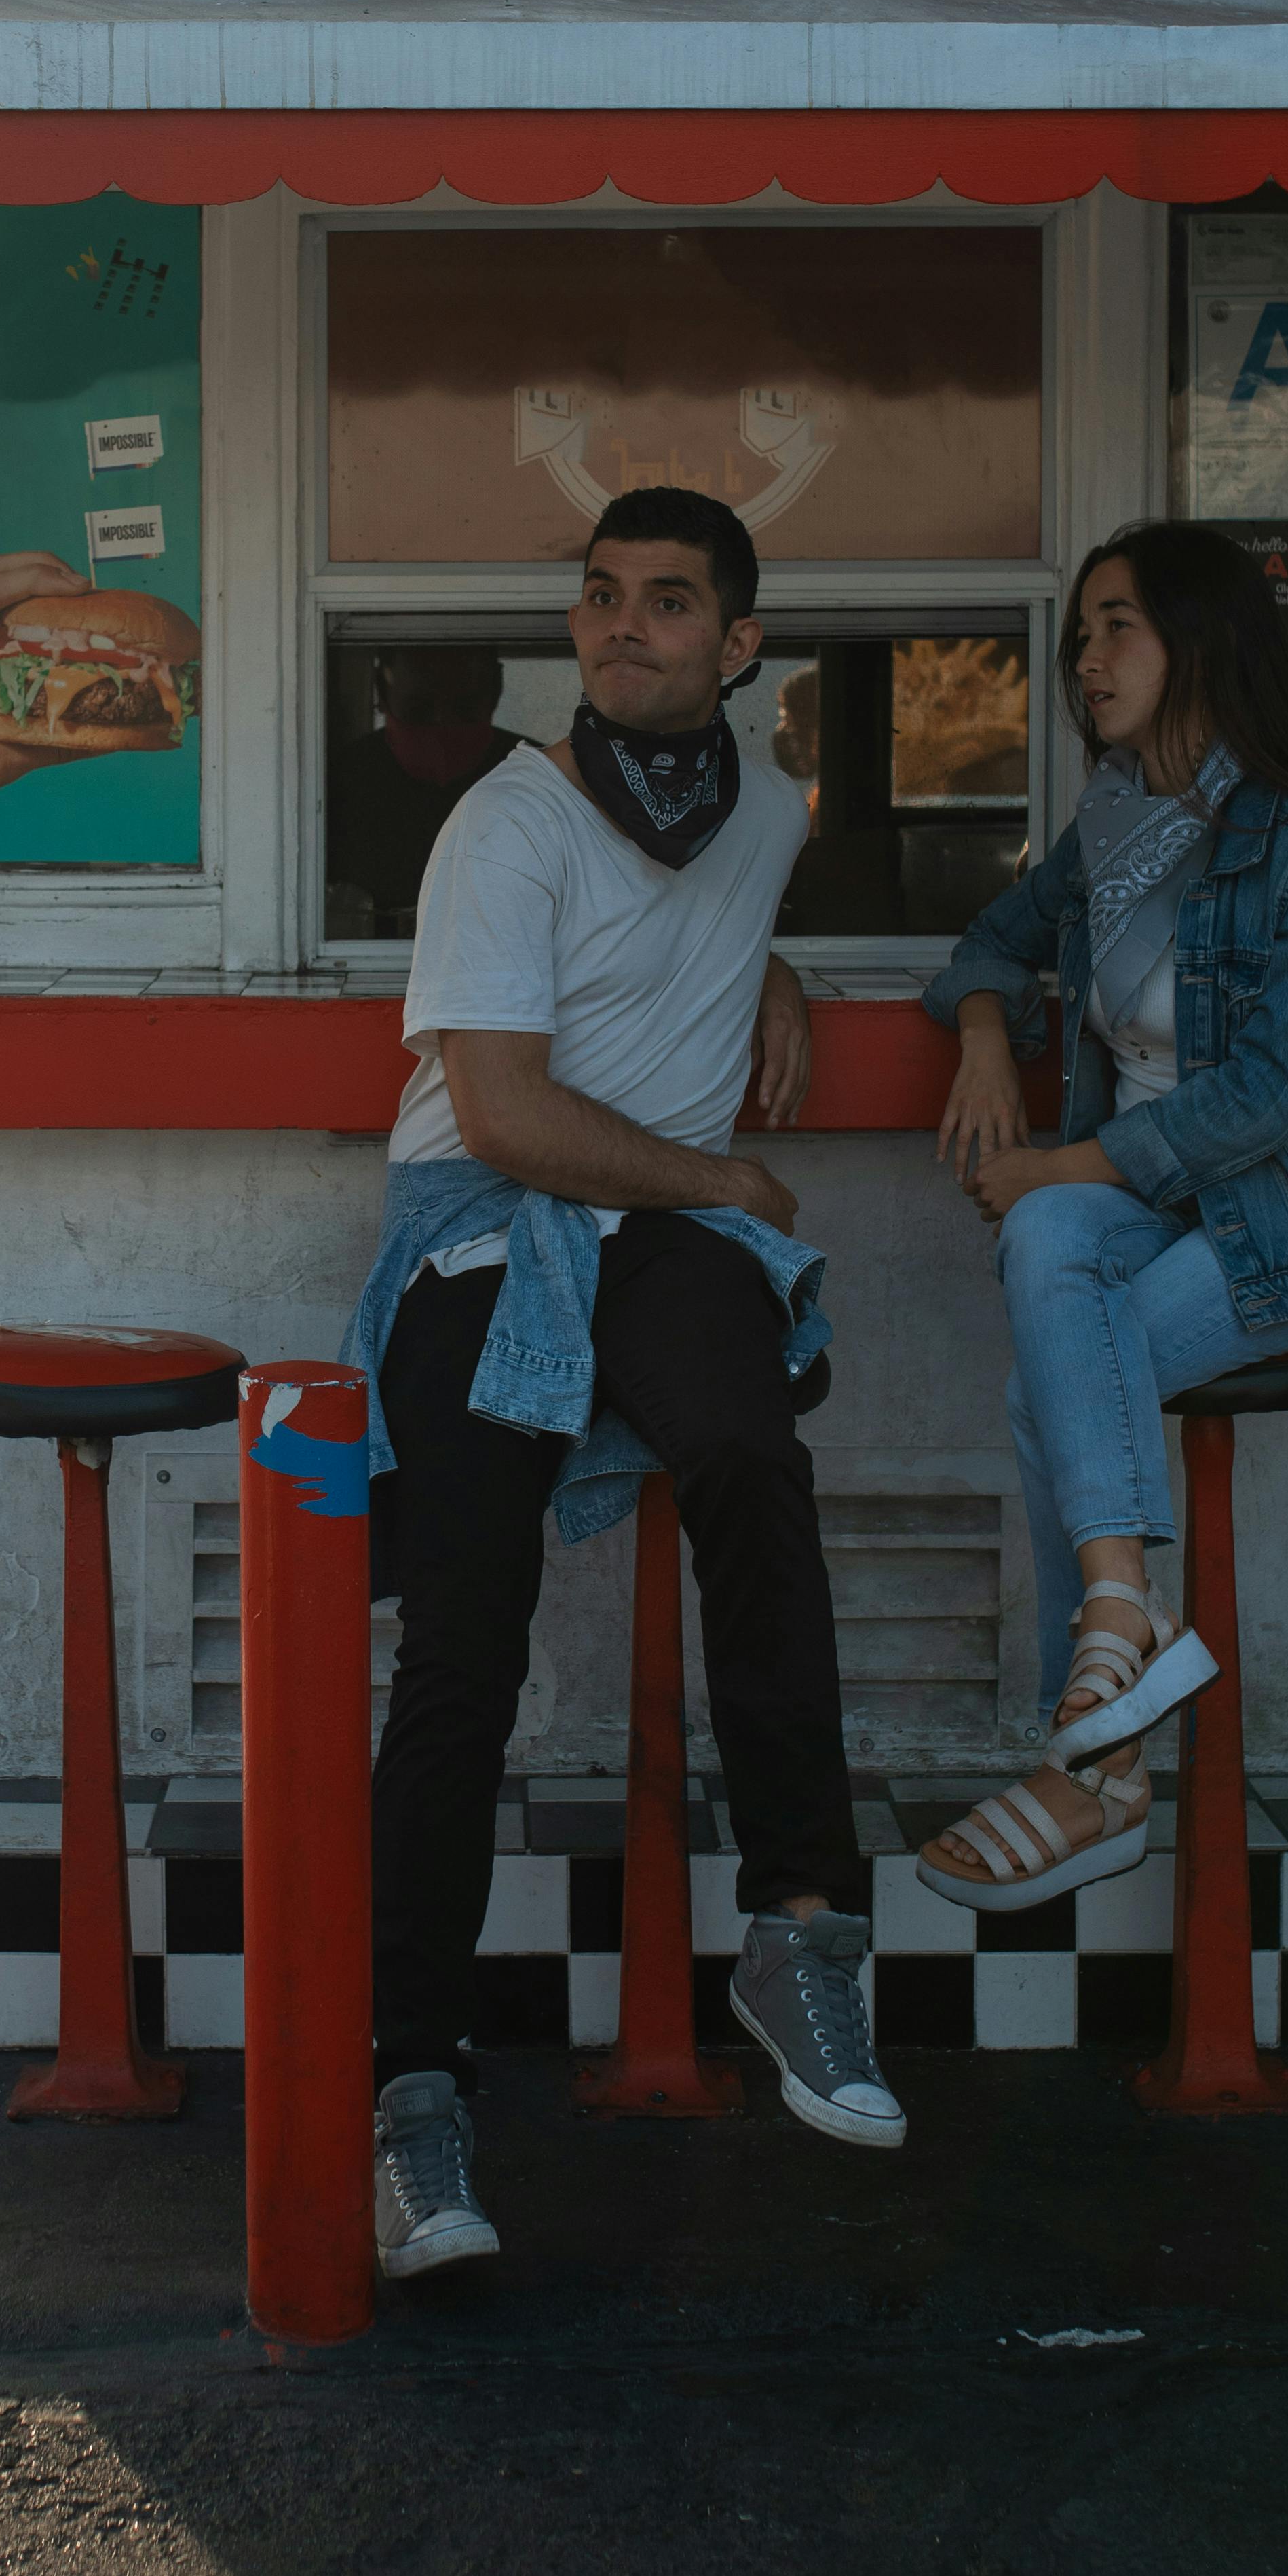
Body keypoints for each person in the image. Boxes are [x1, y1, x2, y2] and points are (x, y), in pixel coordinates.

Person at [344, 483, 896, 2285]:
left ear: (741, 649)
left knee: (748, 1444)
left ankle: (801, 1934)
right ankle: (412, 2090)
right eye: (598, 597)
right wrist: (726, 1175)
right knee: (465, 1632)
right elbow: (499, 1110)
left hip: (645, 1226)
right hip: (493, 1220)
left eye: (669, 603)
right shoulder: (505, 823)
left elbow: (697, 916)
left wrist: (778, 966)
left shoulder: (772, 819)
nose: (623, 628)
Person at [915, 522, 1288, 1915]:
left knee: (1055, 1365)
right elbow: (992, 943)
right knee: (1046, 1254)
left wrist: (1055, 1165)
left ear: (1201, 641)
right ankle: (1122, 1662)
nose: (1087, 659)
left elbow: (1257, 1103)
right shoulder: (1116, 834)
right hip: (1158, 1215)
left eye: (1116, 627)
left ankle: (1098, 1758)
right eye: (1080, 635)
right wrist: (977, 1035)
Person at [324, 646, 520, 935]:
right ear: (381, 688)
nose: (441, 725)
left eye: (464, 709)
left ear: (496, 689)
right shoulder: (335, 782)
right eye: (419, 710)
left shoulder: (534, 777)